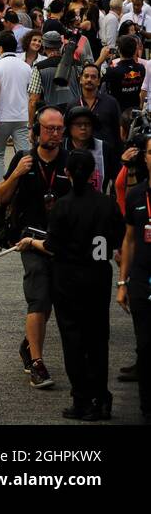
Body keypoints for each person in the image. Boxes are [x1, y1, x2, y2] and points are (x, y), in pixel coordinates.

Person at [17, 150, 124, 420]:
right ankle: (101, 396)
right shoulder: (107, 204)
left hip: (68, 281)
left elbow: (52, 246)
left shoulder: (62, 206)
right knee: (98, 339)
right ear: (92, 174)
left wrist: (31, 242)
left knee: (73, 340)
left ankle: (81, 398)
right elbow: (117, 238)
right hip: (98, 277)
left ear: (68, 173)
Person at [0, 105, 68, 391]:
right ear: (36, 131)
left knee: (49, 301)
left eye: (59, 128)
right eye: (50, 128)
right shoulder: (23, 159)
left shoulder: (69, 160)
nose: (55, 134)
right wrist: (16, 176)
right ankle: (37, 363)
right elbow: (0, 198)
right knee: (38, 297)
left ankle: (28, 344)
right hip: (30, 240)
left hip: (61, 242)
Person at [117, 137, 151, 423]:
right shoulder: (137, 195)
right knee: (145, 345)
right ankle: (146, 409)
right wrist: (122, 283)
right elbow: (128, 241)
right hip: (141, 280)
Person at [0, 32, 32, 184]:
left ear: (0, 48)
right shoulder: (26, 67)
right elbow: (30, 94)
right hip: (21, 117)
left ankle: (1, 187)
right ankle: (22, 187)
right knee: (25, 155)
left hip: (2, 118)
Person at [103, 34, 147, 113]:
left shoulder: (112, 70)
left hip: (118, 112)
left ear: (119, 50)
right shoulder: (141, 68)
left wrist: (102, 58)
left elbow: (102, 85)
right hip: (135, 111)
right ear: (135, 50)